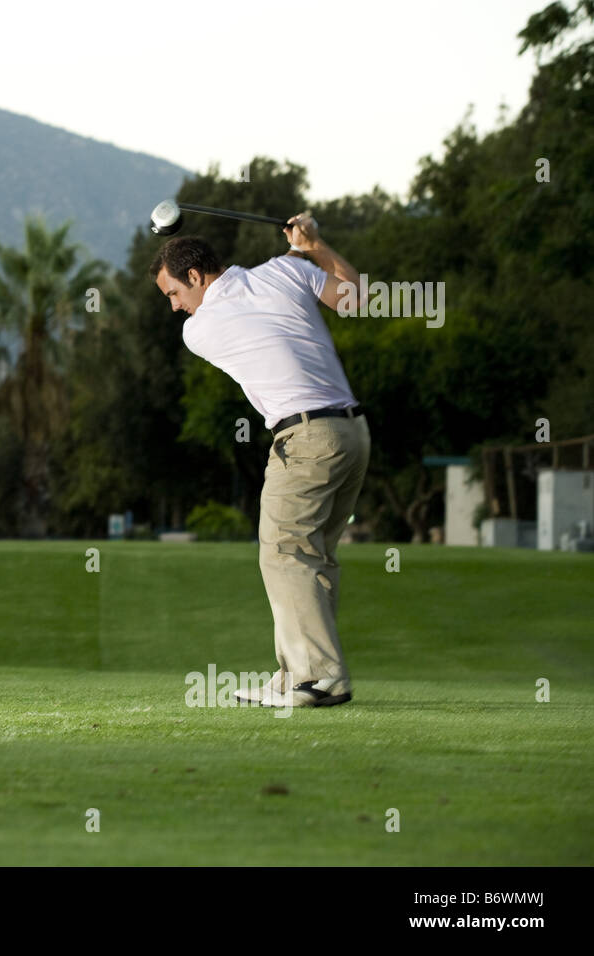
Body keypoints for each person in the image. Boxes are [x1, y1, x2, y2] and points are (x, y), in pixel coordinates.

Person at [151, 213, 370, 708]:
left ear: (194, 276)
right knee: (313, 557)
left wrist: (302, 251)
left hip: (307, 437)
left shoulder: (199, 329)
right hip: (353, 433)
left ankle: (317, 677)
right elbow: (357, 297)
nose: (175, 308)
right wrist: (315, 246)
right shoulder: (282, 272)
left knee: (285, 554)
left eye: (173, 294)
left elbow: (242, 303)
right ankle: (298, 671)